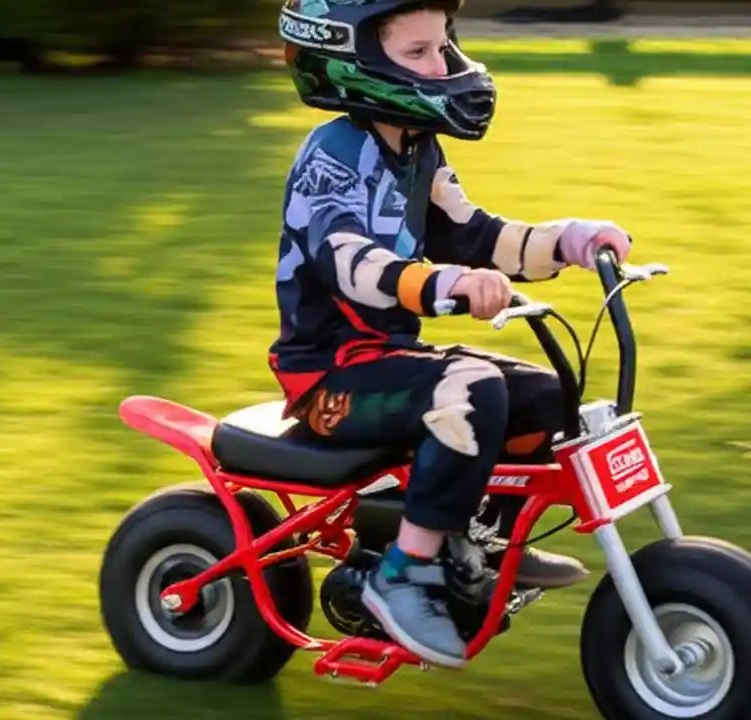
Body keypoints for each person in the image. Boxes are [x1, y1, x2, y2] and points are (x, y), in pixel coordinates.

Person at [271, 0, 632, 669]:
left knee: (546, 397)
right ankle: (404, 573)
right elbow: (347, 261)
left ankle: (477, 546)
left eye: (443, 47)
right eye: (417, 53)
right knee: (470, 391)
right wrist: (445, 285)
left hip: (390, 360)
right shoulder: (331, 156)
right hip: (327, 379)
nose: (441, 65)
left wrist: (573, 240)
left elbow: (477, 235)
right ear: (356, 64)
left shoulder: (416, 150)